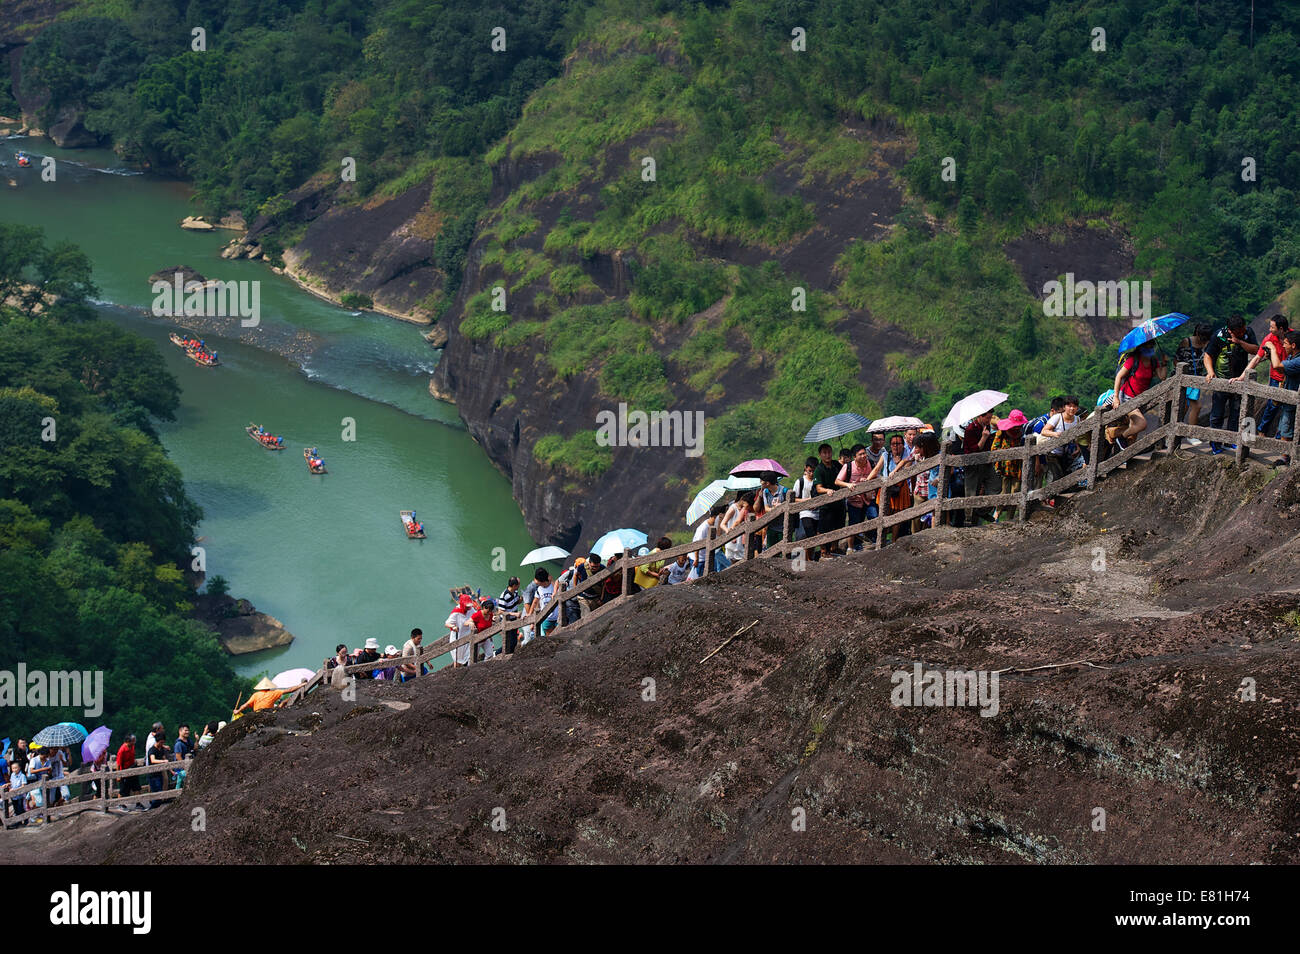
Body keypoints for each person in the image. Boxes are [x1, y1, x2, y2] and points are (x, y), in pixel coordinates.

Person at [1203, 314, 1258, 453]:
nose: (1243, 332)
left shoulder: (1247, 332)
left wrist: (1239, 342)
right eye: (1239, 331)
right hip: (1222, 380)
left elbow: (1256, 350)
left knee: (1236, 411)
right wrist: (1210, 371)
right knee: (1217, 413)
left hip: (1239, 379)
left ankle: (1230, 441)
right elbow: (1208, 355)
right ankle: (1215, 442)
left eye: (1243, 328)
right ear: (1231, 330)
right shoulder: (1219, 336)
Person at [1236, 315, 1290, 436]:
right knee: (1272, 406)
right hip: (1276, 377)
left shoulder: (1293, 337)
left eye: (1272, 327)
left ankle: (1280, 437)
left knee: (1288, 407)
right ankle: (1262, 430)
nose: (1270, 329)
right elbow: (1256, 359)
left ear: (1281, 329)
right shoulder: (1269, 339)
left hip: (1291, 377)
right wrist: (1241, 377)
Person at [1109, 342, 1167, 450]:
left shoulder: (1153, 361)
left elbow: (1162, 376)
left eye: (1151, 346)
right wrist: (1116, 397)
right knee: (1141, 424)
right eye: (1147, 347)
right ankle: (1120, 437)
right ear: (1141, 348)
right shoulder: (1133, 360)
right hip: (1127, 397)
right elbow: (1119, 377)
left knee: (1134, 430)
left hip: (1140, 399)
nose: (1150, 349)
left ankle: (1126, 457)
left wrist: (1164, 363)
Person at [870, 433, 914, 540]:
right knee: (884, 514)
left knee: (897, 516)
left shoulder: (907, 455)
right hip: (886, 488)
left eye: (898, 443)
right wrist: (867, 481)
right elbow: (876, 470)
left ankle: (894, 540)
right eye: (893, 443)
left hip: (901, 487)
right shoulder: (885, 455)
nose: (895, 446)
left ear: (903, 445)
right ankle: (881, 540)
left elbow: (906, 469)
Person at [1040, 395, 1084, 500]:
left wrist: (1078, 447)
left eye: (1074, 406)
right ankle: (1046, 498)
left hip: (1066, 453)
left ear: (1077, 408)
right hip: (1053, 452)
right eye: (1069, 406)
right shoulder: (1057, 418)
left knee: (1065, 476)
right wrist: (1055, 435)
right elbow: (1044, 431)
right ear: (1064, 407)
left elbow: (1078, 435)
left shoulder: (1077, 419)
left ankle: (1055, 499)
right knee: (1058, 476)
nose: (1072, 409)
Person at [836, 444, 877, 551]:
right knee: (854, 524)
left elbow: (876, 477)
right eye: (860, 454)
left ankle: (873, 541)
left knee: (874, 517)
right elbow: (837, 481)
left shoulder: (871, 464)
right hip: (854, 500)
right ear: (854, 457)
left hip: (868, 498)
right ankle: (850, 548)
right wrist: (848, 485)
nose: (864, 456)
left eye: (864, 453)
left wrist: (868, 481)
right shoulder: (848, 466)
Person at [990, 410, 1027, 521]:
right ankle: (997, 514)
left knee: (1015, 491)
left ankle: (1009, 518)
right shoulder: (1001, 432)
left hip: (1018, 466)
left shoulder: (1022, 432)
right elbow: (994, 448)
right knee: (1005, 492)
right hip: (1005, 466)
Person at [961, 411, 995, 524]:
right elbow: (975, 449)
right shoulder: (971, 429)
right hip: (972, 464)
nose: (988, 420)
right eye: (987, 418)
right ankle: (968, 519)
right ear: (980, 416)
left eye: (990, 418)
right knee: (971, 492)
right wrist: (984, 437)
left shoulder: (987, 426)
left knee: (995, 486)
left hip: (986, 462)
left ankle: (982, 511)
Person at [813, 443, 846, 555]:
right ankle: (823, 550)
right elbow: (818, 488)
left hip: (839, 502)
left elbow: (845, 475)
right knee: (824, 528)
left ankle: (834, 547)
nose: (828, 455)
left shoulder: (837, 465)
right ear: (820, 455)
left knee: (838, 525)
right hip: (826, 504)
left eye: (829, 452)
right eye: (825, 453)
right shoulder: (819, 469)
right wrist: (827, 490)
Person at [790, 457, 820, 549]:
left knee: (814, 537)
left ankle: (810, 559)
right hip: (804, 513)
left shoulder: (818, 482)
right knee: (805, 536)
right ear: (805, 468)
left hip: (817, 513)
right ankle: (802, 559)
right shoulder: (800, 482)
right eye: (809, 471)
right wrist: (807, 501)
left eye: (813, 471)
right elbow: (793, 499)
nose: (811, 473)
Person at [446, 595, 478, 663]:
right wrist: (453, 626)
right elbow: (447, 623)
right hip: (458, 636)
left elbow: (476, 615)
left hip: (468, 635)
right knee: (457, 657)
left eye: (469, 606)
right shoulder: (456, 612)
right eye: (467, 606)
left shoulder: (471, 609)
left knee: (468, 654)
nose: (469, 608)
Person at [116, 735, 141, 809]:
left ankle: (138, 803)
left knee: (136, 787)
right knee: (123, 789)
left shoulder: (132, 747)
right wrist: (118, 775)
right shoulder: (122, 750)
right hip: (124, 771)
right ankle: (120, 804)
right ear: (128, 742)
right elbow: (118, 763)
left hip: (132, 768)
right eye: (133, 741)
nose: (134, 742)